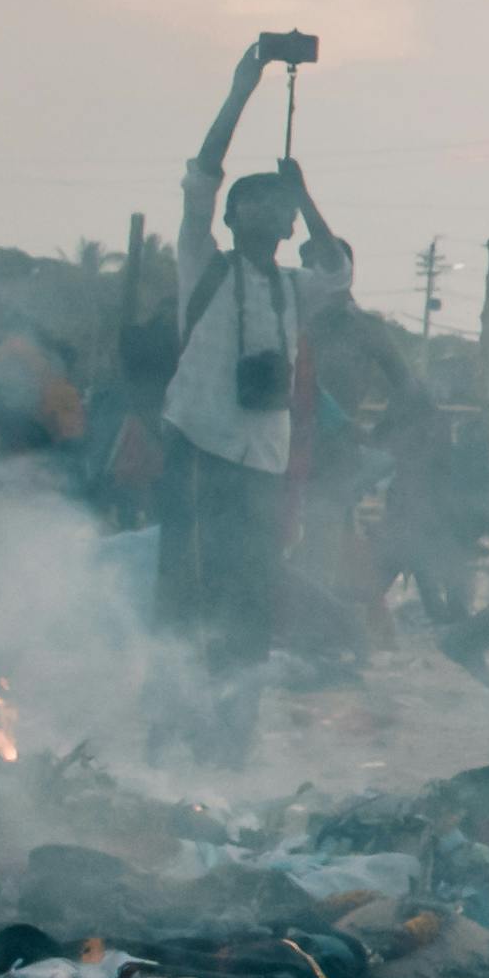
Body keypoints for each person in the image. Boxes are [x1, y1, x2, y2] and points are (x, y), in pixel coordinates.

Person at [152, 38, 329, 752]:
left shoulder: (294, 288)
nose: (273, 217)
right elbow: (201, 176)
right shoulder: (203, 266)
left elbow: (339, 268)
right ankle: (174, 729)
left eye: (280, 211)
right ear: (232, 219)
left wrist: (307, 191)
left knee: (253, 602)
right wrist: (242, 88)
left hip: (262, 461)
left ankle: (230, 739)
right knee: (186, 594)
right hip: (200, 446)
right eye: (259, 206)